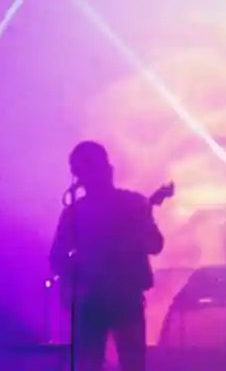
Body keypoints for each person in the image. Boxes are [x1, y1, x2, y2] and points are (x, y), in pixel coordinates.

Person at [50, 141, 164, 371]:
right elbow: (57, 258)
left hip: (102, 301)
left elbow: (154, 244)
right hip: (110, 300)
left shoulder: (78, 212)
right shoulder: (129, 203)